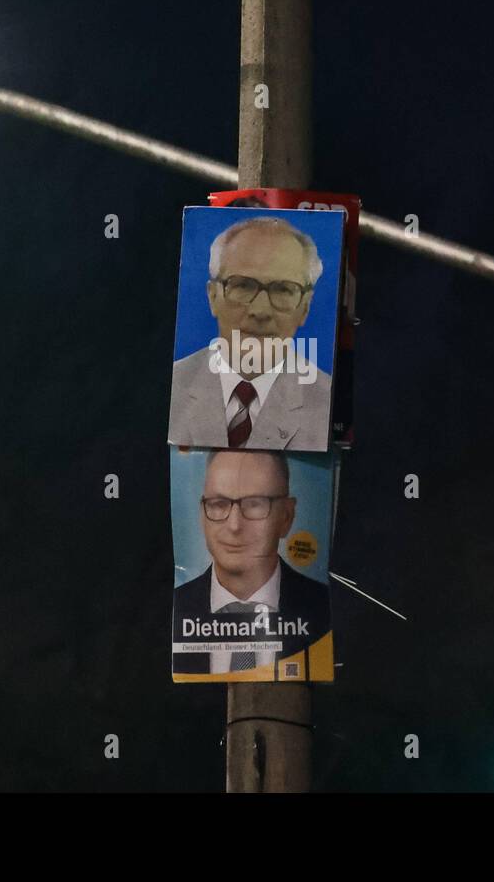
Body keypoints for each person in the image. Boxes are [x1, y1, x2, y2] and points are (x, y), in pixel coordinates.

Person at [168, 216, 333, 450]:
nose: (261, 311)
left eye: (283, 289)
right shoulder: (170, 387)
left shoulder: (329, 404)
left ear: (305, 307)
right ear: (213, 297)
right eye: (243, 285)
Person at [172, 450, 331, 677]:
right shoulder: (174, 608)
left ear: (286, 516)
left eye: (255, 504)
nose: (234, 525)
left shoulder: (322, 607)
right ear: (202, 514)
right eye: (219, 504)